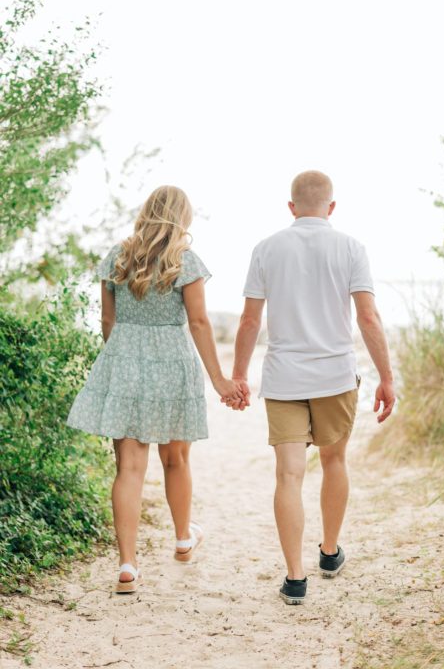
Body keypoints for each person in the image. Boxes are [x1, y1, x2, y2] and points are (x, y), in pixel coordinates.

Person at [228, 170, 397, 605]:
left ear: (291, 207)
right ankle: (328, 552)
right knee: (334, 460)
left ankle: (295, 578)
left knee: (288, 474)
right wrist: (387, 377)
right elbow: (368, 318)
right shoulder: (350, 248)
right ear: (332, 207)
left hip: (284, 378)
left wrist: (240, 375)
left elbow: (250, 321)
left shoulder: (266, 248)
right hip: (335, 376)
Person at [66, 186, 241, 593]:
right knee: (176, 458)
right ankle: (183, 538)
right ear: (182, 217)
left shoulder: (118, 256)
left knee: (128, 467)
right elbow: (198, 323)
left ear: (147, 212)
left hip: (124, 357)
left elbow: (107, 320)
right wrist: (219, 380)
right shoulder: (185, 260)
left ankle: (127, 566)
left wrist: (120, 361)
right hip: (172, 358)